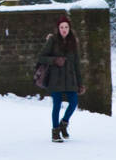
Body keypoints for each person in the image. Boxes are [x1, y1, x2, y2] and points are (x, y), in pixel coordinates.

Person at [36, 14, 86, 142]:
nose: (64, 29)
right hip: (55, 79)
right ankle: (55, 132)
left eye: (66, 27)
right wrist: (55, 60)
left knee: (74, 103)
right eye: (61, 27)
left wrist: (80, 83)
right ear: (58, 28)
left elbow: (76, 64)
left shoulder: (73, 42)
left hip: (70, 78)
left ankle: (64, 124)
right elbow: (41, 57)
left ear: (69, 28)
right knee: (56, 105)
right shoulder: (52, 40)